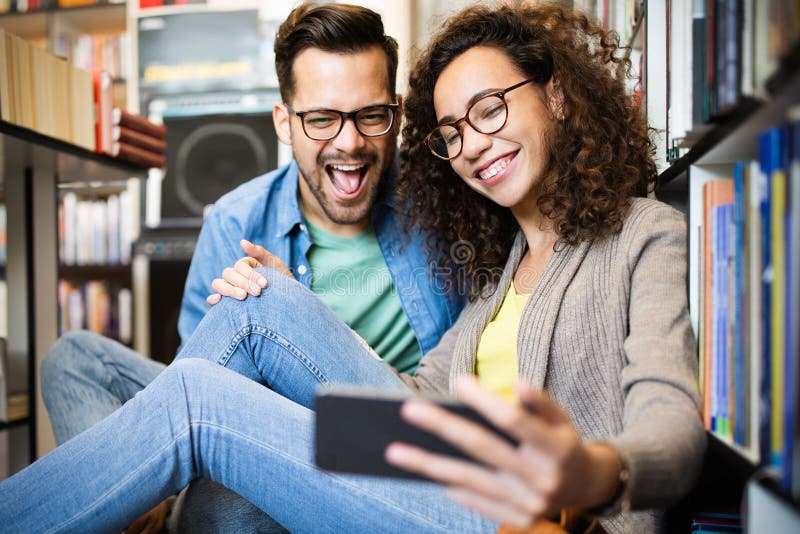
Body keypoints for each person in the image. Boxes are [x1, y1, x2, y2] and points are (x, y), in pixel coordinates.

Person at [1, 3, 705, 533]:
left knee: (198, 403)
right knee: (123, 353)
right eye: (454, 131)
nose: (473, 145)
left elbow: (673, 429)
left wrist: (589, 471)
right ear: (286, 122)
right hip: (430, 467)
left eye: (490, 110)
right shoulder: (504, 269)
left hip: (513, 516)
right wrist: (290, 321)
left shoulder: (644, 235)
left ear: (554, 94)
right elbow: (411, 395)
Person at [39, 3, 462, 532]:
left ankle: (136, 501)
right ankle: (139, 502)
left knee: (222, 508)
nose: (350, 142)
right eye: (322, 118)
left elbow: (450, 389)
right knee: (73, 357)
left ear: (396, 111)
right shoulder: (234, 220)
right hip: (251, 428)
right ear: (284, 122)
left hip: (371, 437)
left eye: (371, 115)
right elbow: (204, 382)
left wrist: (295, 312)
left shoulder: (447, 209)